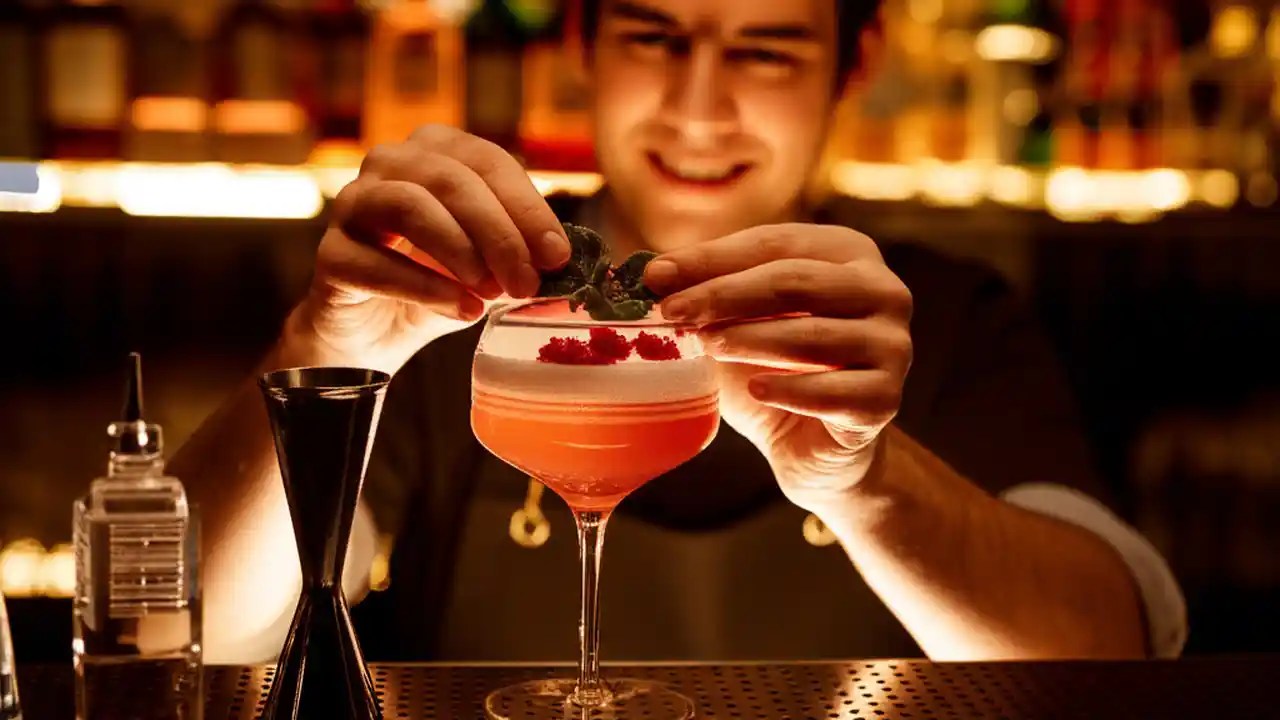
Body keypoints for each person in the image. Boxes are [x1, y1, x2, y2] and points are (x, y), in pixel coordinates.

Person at [172, 0, 1186, 663]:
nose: (699, 111)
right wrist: (327, 353)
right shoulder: (447, 297)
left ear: (854, 64)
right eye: (655, 39)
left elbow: (1105, 658)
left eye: (765, 50)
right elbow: (189, 630)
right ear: (581, 44)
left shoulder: (943, 319)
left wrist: (861, 481)